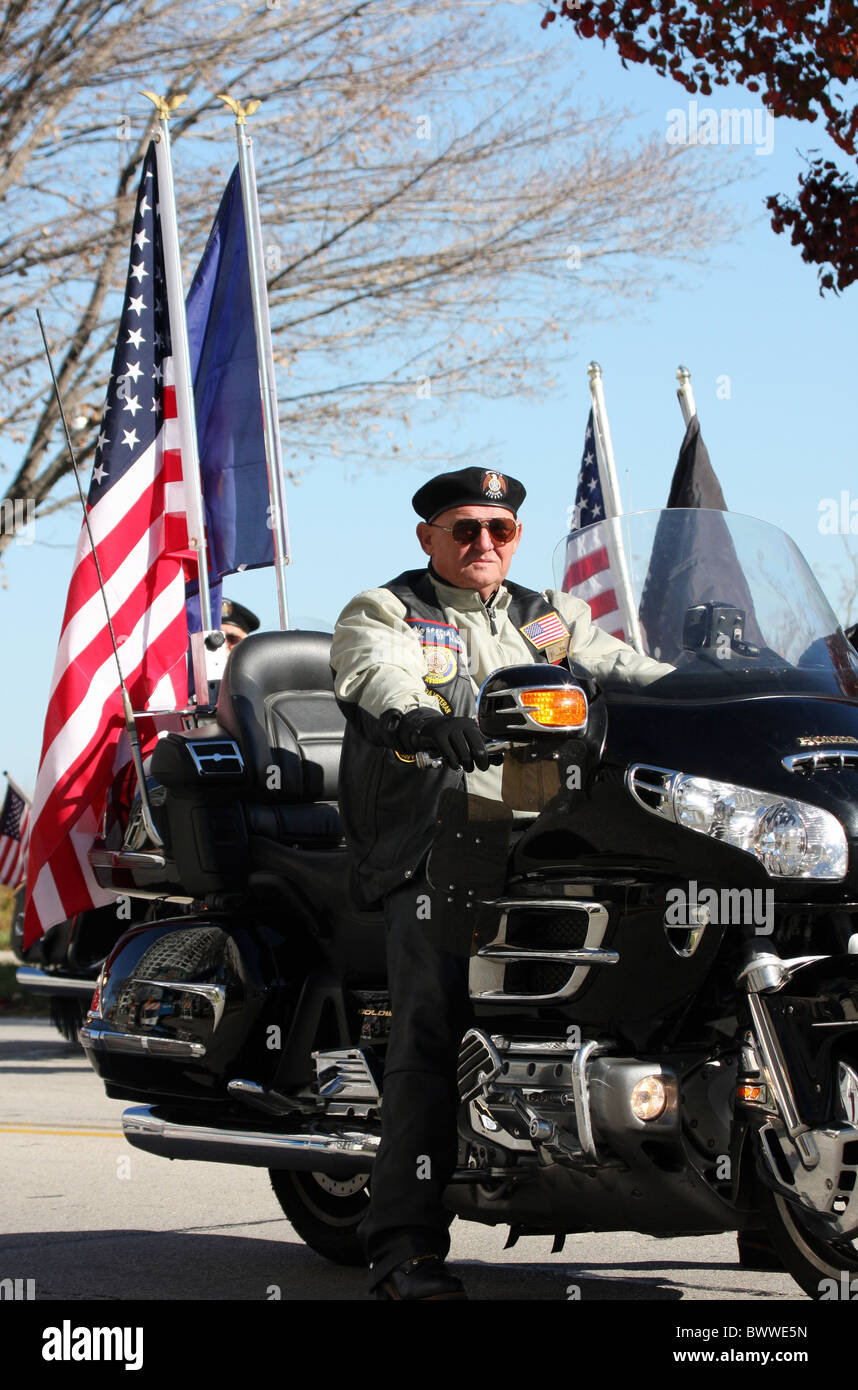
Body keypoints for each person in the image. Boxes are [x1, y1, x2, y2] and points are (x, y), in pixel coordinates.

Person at [330, 466, 670, 1300]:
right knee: (431, 1025)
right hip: (440, 833)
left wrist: (738, 691)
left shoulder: (544, 616)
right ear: (429, 539)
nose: (484, 544)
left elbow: (628, 671)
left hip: (548, 830)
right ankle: (403, 1248)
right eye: (465, 529)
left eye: (501, 530)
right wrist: (421, 719)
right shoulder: (389, 608)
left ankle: (769, 1200)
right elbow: (374, 676)